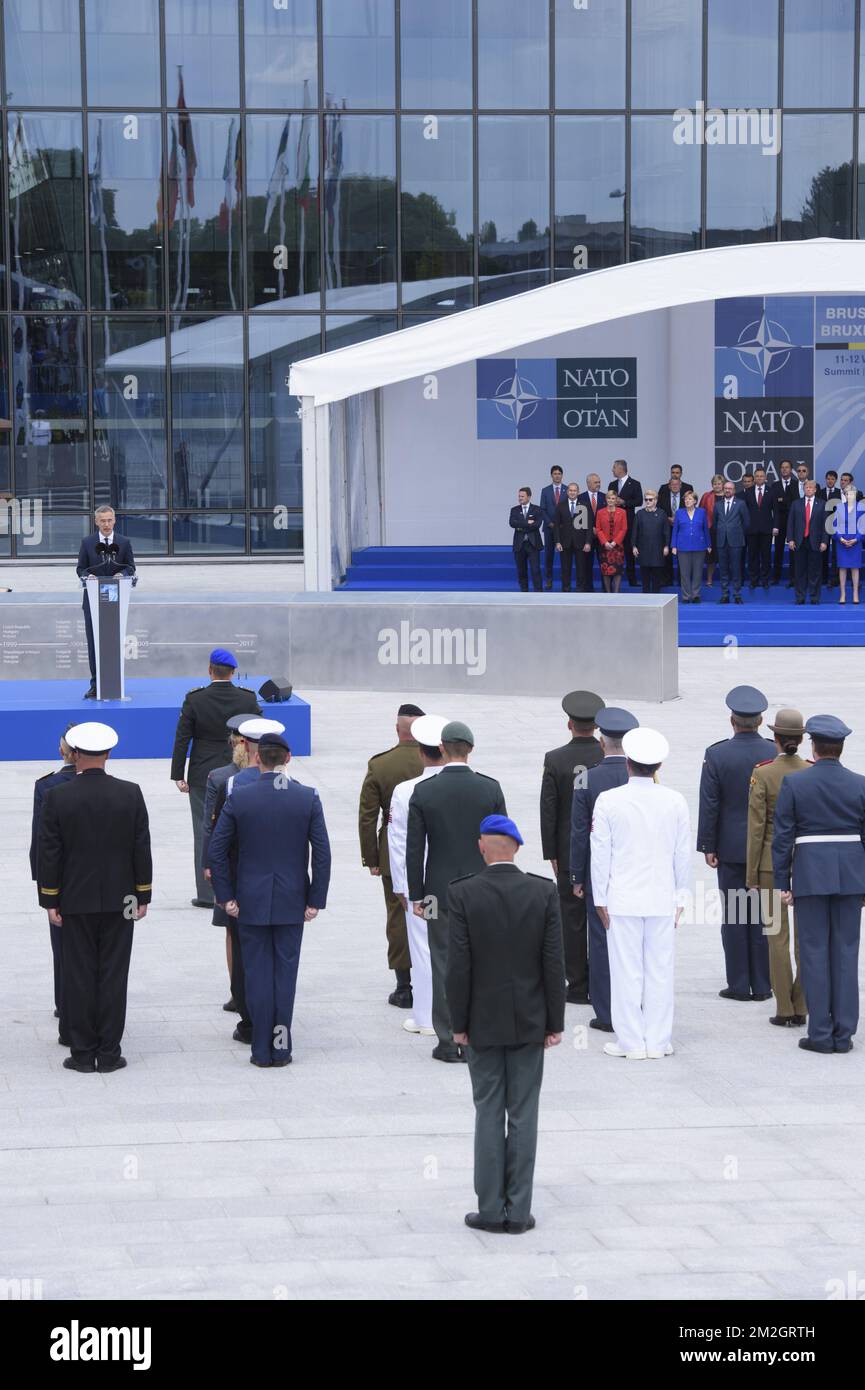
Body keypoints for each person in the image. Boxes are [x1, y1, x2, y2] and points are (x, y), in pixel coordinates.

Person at [447, 815, 565, 1234]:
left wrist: (457, 1023)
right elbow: (554, 963)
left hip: (481, 1021)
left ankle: (491, 1209)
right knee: (524, 1114)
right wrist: (556, 1021)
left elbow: (457, 967)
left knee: (488, 1110)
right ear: (516, 847)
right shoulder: (542, 891)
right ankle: (518, 1212)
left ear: (482, 847)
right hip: (531, 1021)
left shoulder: (462, 894)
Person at [209, 732, 331, 1067]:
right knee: (285, 976)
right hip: (292, 900)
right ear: (288, 759)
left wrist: (225, 896)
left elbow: (217, 851)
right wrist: (315, 899)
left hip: (250, 900)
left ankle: (261, 1048)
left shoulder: (240, 798)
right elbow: (322, 853)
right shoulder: (307, 797)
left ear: (257, 758)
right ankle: (282, 1046)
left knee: (258, 974)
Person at [37, 722, 152, 1073]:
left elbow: (50, 853)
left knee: (78, 973)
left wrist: (50, 899)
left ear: (74, 754)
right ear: (109, 753)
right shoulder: (130, 792)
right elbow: (140, 848)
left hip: (75, 899)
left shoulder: (57, 796)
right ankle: (110, 1051)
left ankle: (83, 1052)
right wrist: (142, 895)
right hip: (122, 901)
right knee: (114, 974)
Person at [406, 721, 507, 1064]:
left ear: (443, 747)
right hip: (484, 890)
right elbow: (503, 843)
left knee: (443, 963)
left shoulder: (425, 791)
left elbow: (414, 849)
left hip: (438, 892)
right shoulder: (489, 788)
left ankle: (449, 1040)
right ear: (470, 750)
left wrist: (417, 895)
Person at [591, 728, 691, 1061]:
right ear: (658, 764)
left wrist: (600, 899)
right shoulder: (675, 800)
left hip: (622, 898)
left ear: (628, 763)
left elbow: (600, 853)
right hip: (662, 898)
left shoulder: (609, 799)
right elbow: (682, 855)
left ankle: (631, 1041)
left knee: (625, 971)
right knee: (660, 970)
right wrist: (681, 898)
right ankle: (658, 1041)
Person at [773, 715, 865, 1054]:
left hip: (811, 874)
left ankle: (821, 1033)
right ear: (840, 748)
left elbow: (782, 838)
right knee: (845, 952)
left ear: (813, 745)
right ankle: (844, 1034)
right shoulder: (860, 783)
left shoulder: (796, 784)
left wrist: (783, 881)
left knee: (813, 954)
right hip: (851, 876)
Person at [204, 715, 286, 1046]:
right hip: (283, 885)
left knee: (242, 949)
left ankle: (250, 1018)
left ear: (246, 746)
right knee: (279, 952)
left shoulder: (233, 786)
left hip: (242, 883)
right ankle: (276, 1020)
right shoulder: (298, 790)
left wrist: (222, 885)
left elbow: (219, 840)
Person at [697, 685, 774, 1002]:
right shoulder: (773, 753)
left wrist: (708, 845)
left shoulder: (717, 754)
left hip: (729, 848)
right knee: (763, 915)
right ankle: (763, 983)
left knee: (734, 915)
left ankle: (739, 983)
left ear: (732, 720)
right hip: (767, 850)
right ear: (760, 721)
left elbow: (710, 803)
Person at [170, 649, 260, 908]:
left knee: (203, 830)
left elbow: (182, 738)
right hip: (242, 768)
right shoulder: (247, 698)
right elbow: (259, 735)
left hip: (202, 773)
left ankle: (207, 894)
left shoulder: (195, 699)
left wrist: (178, 774)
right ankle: (242, 887)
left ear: (210, 670)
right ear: (233, 672)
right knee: (245, 828)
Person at [570, 707, 639, 1034]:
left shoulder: (587, 777)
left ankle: (606, 1012)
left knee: (600, 940)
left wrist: (576, 876)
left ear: (602, 742)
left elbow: (580, 831)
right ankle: (634, 1004)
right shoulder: (641, 777)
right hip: (635, 871)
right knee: (633, 940)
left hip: (602, 873)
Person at [540, 690, 605, 1003]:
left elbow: (548, 809)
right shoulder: (609, 758)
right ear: (597, 726)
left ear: (569, 724)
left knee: (572, 917)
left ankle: (577, 985)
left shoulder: (555, 759)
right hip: (607, 850)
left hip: (567, 850)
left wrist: (551, 851)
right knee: (605, 913)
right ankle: (604, 979)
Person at [745, 709, 809, 1029]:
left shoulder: (765, 773)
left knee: (776, 938)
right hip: (807, 866)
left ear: (777, 739)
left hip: (771, 867)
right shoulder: (811, 771)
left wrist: (751, 875)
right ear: (801, 740)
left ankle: (784, 1007)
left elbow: (756, 829)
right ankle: (801, 1004)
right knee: (806, 940)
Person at [358, 704, 424, 1007]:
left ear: (397, 729)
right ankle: (431, 978)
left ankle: (404, 985)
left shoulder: (381, 765)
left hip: (392, 852)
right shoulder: (436, 760)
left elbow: (368, 816)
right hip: (432, 849)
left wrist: (371, 858)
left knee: (398, 915)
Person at [387, 714, 448, 1038]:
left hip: (423, 883)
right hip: (462, 883)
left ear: (422, 753)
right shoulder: (475, 782)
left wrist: (403, 887)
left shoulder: (405, 790)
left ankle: (426, 1017)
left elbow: (398, 842)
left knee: (424, 948)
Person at [200, 713, 254, 1014]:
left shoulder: (220, 777)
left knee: (232, 932)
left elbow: (210, 825)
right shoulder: (276, 780)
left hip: (230, 869)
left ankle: (237, 992)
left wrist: (209, 863)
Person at [29, 724, 76, 1043]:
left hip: (60, 884)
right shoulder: (122, 789)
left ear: (63, 751)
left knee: (62, 947)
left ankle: (66, 1004)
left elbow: (41, 843)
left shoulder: (48, 787)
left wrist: (44, 889)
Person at [76, 505, 136, 700]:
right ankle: (96, 684)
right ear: (96, 522)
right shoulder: (87, 543)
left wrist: (122, 574)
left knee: (113, 643)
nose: (106, 524)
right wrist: (89, 576)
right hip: (93, 601)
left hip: (117, 602)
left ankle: (114, 683)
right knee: (95, 643)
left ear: (115, 520)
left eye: (109, 520)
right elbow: (81, 569)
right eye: (103, 521)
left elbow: (130, 567)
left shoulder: (124, 542)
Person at [786, 479, 827, 606]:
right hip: (799, 541)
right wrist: (790, 539)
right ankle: (800, 597)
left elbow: (826, 525)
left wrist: (825, 541)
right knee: (799, 571)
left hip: (815, 542)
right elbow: (790, 523)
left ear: (815, 490)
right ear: (803, 489)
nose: (809, 489)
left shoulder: (822, 504)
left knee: (815, 571)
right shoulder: (796, 504)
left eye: (811, 487)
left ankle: (814, 597)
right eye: (807, 487)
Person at [670, 489, 710, 603]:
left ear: (695, 501)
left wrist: (708, 544)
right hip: (682, 546)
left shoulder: (702, 512)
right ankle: (686, 596)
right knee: (684, 572)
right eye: (685, 499)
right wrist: (674, 546)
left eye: (690, 499)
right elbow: (675, 530)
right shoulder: (679, 512)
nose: (687, 501)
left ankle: (696, 594)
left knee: (697, 572)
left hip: (699, 545)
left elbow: (705, 529)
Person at [713, 479, 749, 604]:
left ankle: (737, 594)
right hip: (722, 541)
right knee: (723, 569)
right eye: (726, 488)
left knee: (736, 568)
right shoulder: (717, 504)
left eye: (730, 488)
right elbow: (715, 522)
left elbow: (746, 523)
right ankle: (725, 594)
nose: (727, 490)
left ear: (734, 490)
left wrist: (736, 532)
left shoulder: (741, 503)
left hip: (736, 541)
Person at [608, 460, 643, 586]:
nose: (612, 470)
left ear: (621, 469)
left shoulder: (634, 484)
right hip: (613, 522)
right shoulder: (612, 484)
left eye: (614, 468)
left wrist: (624, 502)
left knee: (629, 551)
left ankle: (632, 580)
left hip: (628, 522)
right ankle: (613, 578)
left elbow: (639, 501)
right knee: (613, 551)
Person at [553, 482, 592, 593]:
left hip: (581, 542)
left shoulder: (585, 505)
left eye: (574, 490)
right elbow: (556, 526)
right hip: (565, 542)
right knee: (565, 568)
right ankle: (566, 589)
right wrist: (557, 542)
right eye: (570, 490)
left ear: (578, 492)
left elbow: (589, 526)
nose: (572, 492)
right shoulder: (561, 505)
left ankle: (580, 589)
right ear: (567, 492)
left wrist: (588, 542)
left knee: (581, 568)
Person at [631, 490, 670, 593]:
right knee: (645, 578)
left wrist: (666, 546)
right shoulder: (639, 514)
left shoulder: (662, 513)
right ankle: (646, 598)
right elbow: (634, 531)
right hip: (643, 550)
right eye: (646, 499)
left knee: (657, 578)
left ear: (656, 500)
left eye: (650, 499)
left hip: (658, 550)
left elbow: (666, 531)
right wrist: (634, 546)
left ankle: (656, 598)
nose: (647, 501)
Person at [743, 466, 773, 592]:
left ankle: (765, 580)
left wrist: (775, 526)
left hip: (766, 529)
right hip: (751, 529)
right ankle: (754, 580)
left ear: (765, 478)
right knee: (753, 556)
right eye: (757, 476)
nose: (759, 478)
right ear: (754, 478)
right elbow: (744, 511)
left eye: (762, 476)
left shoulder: (771, 491)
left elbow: (775, 510)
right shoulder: (748, 491)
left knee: (766, 556)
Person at [509, 487, 544, 592]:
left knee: (535, 570)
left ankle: (538, 592)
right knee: (521, 570)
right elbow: (512, 523)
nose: (520, 498)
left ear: (529, 496)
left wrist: (520, 526)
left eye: (522, 496)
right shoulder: (514, 509)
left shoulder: (537, 509)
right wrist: (526, 523)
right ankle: (524, 591)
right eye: (519, 496)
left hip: (533, 544)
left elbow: (537, 525)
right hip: (519, 545)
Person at [835, 482, 864, 605]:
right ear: (845, 495)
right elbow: (834, 525)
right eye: (847, 494)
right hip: (842, 542)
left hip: (855, 542)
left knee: (855, 568)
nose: (849, 496)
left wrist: (856, 539)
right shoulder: (839, 507)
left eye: (852, 493)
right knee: (842, 567)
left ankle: (855, 594)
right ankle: (842, 594)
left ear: (855, 494)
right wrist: (840, 538)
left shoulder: (861, 508)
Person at [595, 489, 627, 593]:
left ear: (616, 500)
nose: (611, 500)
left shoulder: (622, 512)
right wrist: (605, 542)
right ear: (606, 499)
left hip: (617, 546)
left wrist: (615, 542)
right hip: (605, 546)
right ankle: (608, 593)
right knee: (606, 570)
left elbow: (624, 529)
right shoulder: (600, 512)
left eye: (613, 498)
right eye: (609, 498)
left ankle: (616, 592)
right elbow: (598, 529)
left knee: (618, 571)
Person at [770, 459, 796, 586]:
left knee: (793, 551)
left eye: (787, 467)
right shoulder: (774, 485)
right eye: (782, 467)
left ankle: (793, 578)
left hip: (794, 522)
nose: (784, 469)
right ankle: (776, 577)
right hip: (779, 522)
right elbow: (774, 505)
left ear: (791, 469)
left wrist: (782, 502)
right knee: (778, 550)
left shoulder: (797, 484)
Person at [539, 465, 565, 591]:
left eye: (559, 473)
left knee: (565, 556)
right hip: (549, 528)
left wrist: (562, 525)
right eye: (555, 473)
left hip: (564, 528)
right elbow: (542, 510)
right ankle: (548, 580)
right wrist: (550, 523)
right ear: (551, 475)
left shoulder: (567, 490)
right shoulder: (545, 490)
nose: (557, 475)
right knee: (549, 556)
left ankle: (566, 581)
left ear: (562, 475)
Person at [577, 473, 603, 590]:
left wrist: (598, 529)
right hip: (586, 536)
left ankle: (605, 588)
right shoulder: (580, 498)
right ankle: (588, 588)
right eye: (596, 482)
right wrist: (590, 528)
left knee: (603, 563)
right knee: (587, 563)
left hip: (601, 536)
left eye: (599, 482)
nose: (598, 484)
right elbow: (578, 519)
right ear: (588, 483)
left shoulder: (604, 497)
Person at [698, 474, 725, 588]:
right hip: (710, 530)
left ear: (723, 484)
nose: (717, 486)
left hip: (725, 530)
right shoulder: (706, 496)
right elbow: (700, 512)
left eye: (719, 483)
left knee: (725, 556)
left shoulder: (729, 495)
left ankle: (725, 580)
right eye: (715, 483)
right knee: (711, 557)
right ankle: (709, 580)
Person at [820, 470, 841, 587]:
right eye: (828, 478)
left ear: (835, 480)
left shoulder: (840, 493)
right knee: (823, 552)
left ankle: (834, 578)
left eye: (832, 479)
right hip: (823, 527)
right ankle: (823, 577)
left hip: (837, 528)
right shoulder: (820, 492)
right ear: (825, 479)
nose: (830, 481)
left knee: (836, 554)